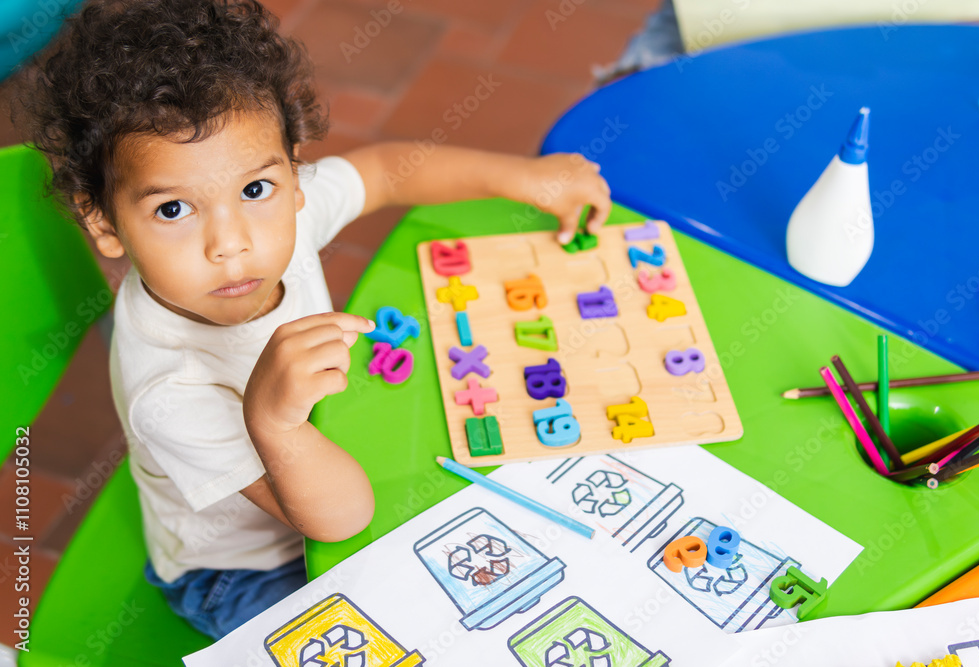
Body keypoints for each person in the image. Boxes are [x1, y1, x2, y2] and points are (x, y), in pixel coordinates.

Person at [11, 0, 611, 639]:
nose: (231, 244)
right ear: (103, 221)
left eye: (254, 190)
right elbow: (337, 521)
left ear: (292, 175)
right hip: (245, 569)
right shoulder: (171, 391)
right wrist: (271, 421)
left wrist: (525, 177)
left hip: (331, 453)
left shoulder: (279, 216)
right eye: (173, 210)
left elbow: (384, 171)